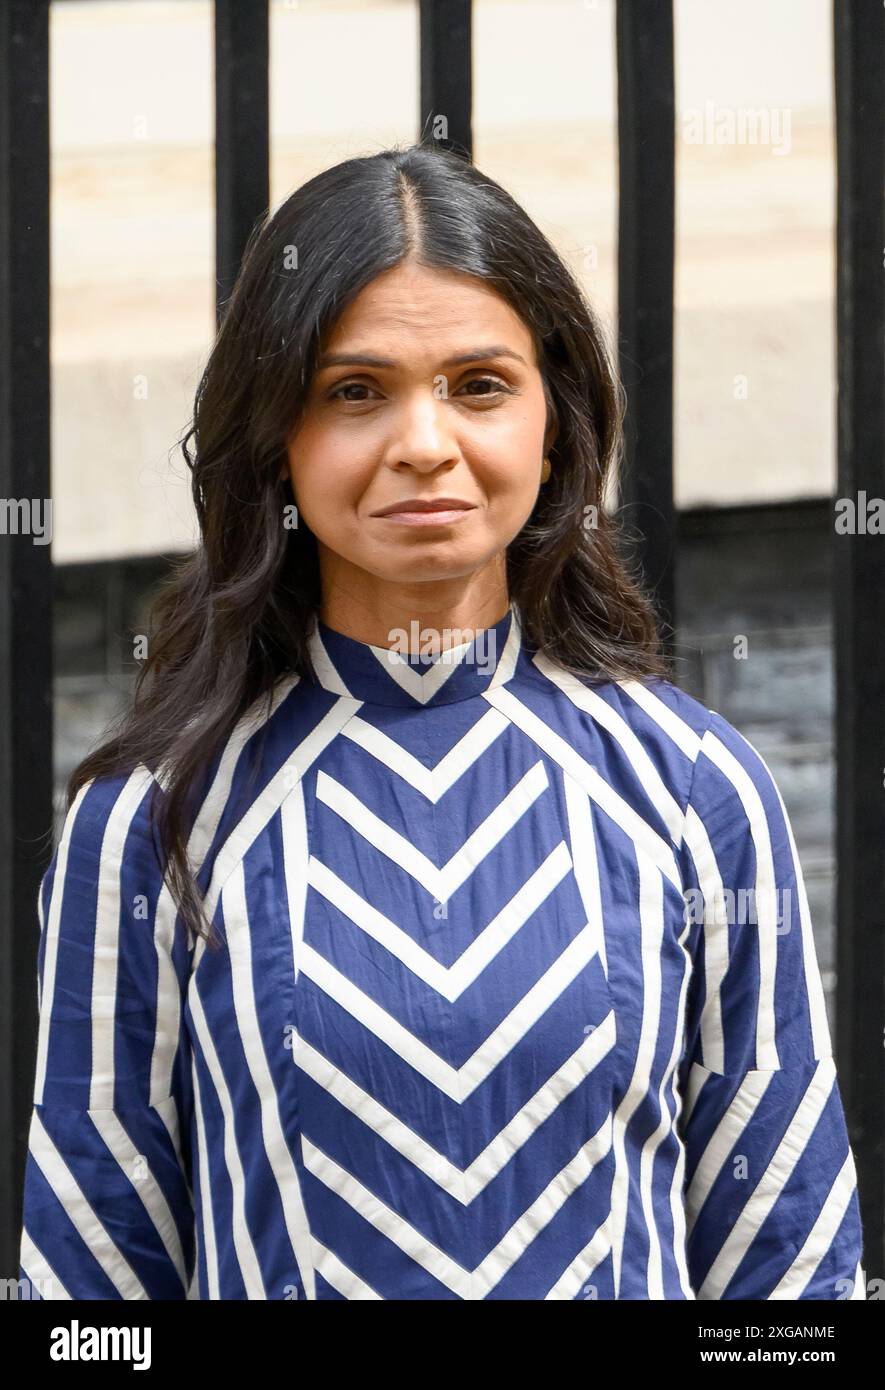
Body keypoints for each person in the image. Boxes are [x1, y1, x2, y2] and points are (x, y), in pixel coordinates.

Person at [18, 143, 865, 1301]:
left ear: (553, 424)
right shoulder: (152, 826)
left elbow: (792, 1270)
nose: (425, 443)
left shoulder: (694, 789)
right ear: (278, 442)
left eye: (479, 384)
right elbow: (89, 1291)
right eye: (355, 390)